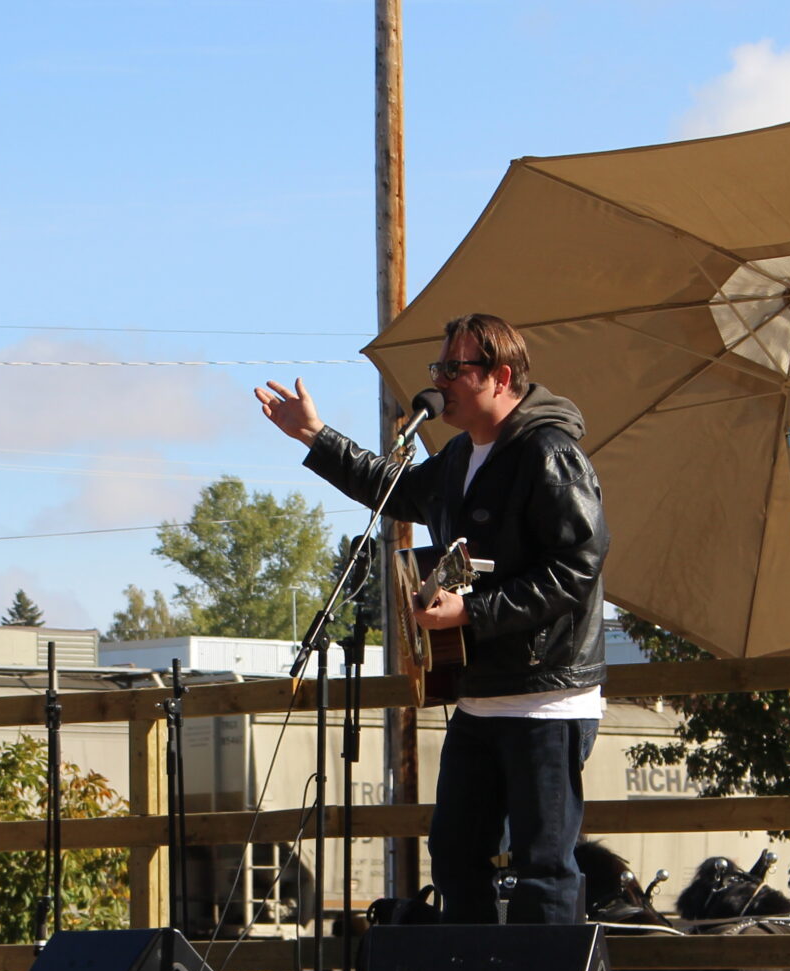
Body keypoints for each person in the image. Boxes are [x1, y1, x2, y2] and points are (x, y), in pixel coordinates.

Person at [254, 313, 610, 924]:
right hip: (479, 698)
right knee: (454, 856)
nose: (440, 381)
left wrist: (472, 610)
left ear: (501, 377)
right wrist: (315, 435)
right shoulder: (459, 459)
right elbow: (392, 489)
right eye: (438, 368)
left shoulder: (548, 454)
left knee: (544, 868)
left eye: (454, 368)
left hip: (548, 700)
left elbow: (578, 568)